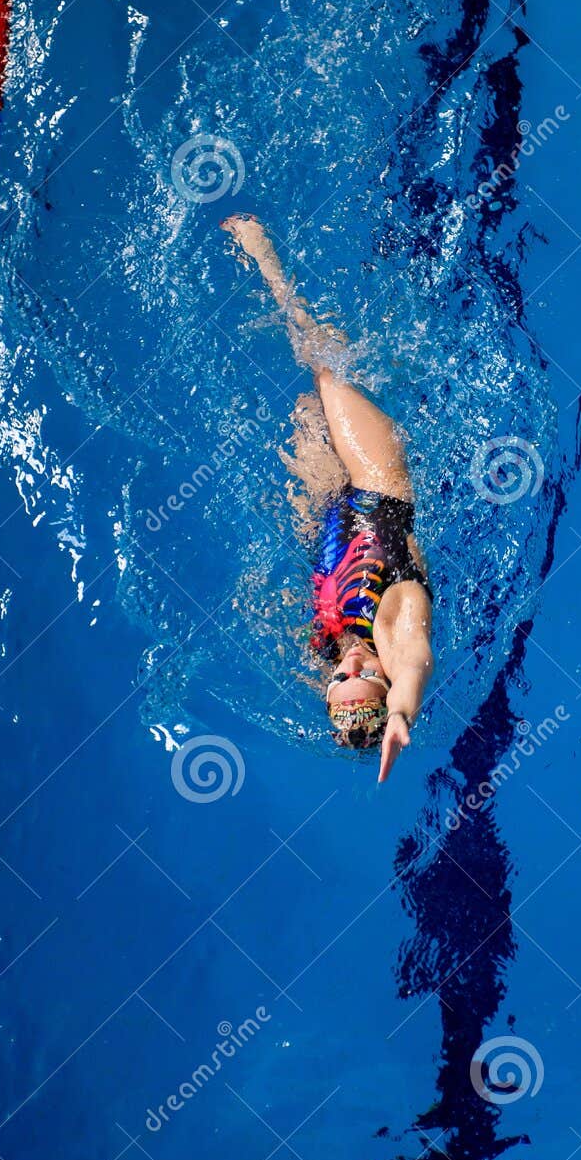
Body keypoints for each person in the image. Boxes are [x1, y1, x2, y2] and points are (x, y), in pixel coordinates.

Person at [222, 214, 433, 783]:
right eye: (368, 673)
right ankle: (267, 261)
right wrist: (401, 711)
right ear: (384, 681)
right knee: (323, 367)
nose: (353, 664)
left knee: (301, 411)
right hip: (377, 483)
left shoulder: (324, 654)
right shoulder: (396, 625)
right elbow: (416, 659)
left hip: (328, 513)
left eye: (343, 678)